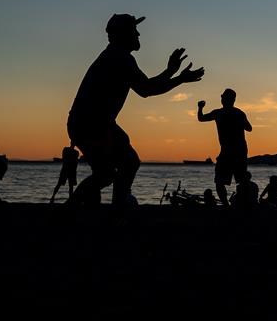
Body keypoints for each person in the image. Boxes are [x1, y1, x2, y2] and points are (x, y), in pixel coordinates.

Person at [67, 13, 203, 207]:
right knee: (122, 166)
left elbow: (145, 87)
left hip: (91, 124)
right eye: (134, 30)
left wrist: (172, 72)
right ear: (122, 35)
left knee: (111, 170)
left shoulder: (116, 56)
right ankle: (109, 210)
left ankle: (93, 210)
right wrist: (178, 77)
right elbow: (146, 89)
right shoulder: (120, 58)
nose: (138, 34)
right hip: (91, 125)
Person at [197, 88, 252, 207]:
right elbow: (249, 128)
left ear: (229, 99)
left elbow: (201, 118)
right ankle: (232, 205)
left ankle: (234, 205)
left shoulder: (221, 113)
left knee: (229, 181)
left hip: (234, 152)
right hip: (236, 151)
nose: (222, 99)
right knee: (234, 180)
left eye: (223, 97)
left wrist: (200, 107)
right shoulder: (237, 113)